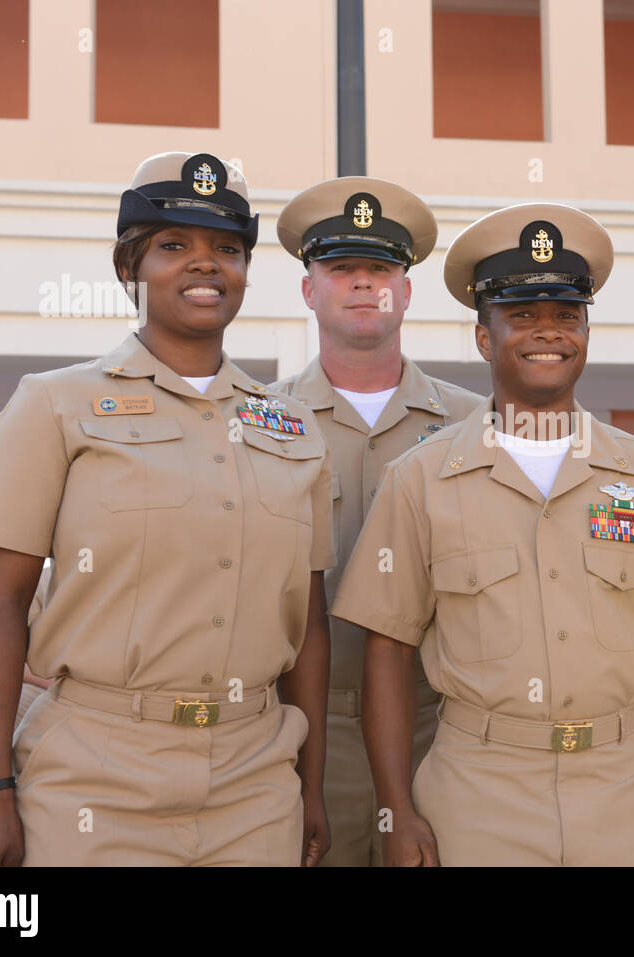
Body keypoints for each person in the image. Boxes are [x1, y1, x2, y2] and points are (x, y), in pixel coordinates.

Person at [0, 152, 336, 867]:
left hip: (254, 782)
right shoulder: (54, 405)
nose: (204, 265)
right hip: (92, 776)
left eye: (226, 249)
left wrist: (310, 788)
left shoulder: (293, 428)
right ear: (131, 266)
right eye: (172, 245)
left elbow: (306, 623)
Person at [332, 203, 634, 866]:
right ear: (485, 337)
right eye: (522, 315)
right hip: (476, 797)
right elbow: (386, 653)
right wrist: (396, 809)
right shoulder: (420, 480)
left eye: (566, 315)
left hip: (625, 791)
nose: (547, 332)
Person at [272, 177, 482, 866]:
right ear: (309, 290)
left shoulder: (476, 424)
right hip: (298, 727)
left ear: (406, 289)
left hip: (438, 725)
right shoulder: (256, 423)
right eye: (340, 269)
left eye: (381, 269)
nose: (363, 285)